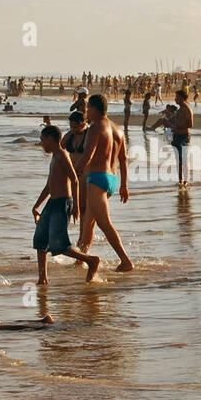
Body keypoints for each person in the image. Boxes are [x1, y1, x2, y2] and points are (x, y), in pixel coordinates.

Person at [32, 125, 100, 283]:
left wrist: (76, 205)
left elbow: (75, 179)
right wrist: (36, 206)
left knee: (59, 244)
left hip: (63, 203)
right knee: (40, 240)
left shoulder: (62, 155)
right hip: (52, 203)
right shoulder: (54, 157)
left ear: (50, 139)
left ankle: (91, 261)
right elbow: (49, 186)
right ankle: (43, 278)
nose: (41, 144)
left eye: (43, 141)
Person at [77, 94, 133, 271]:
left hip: (97, 178)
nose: (87, 113)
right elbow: (123, 160)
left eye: (88, 109)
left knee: (104, 223)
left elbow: (87, 156)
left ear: (94, 108)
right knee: (88, 223)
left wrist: (70, 173)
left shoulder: (96, 128)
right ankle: (81, 259)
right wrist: (124, 185)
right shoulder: (118, 129)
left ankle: (125, 260)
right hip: (111, 180)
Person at [171, 89, 194, 188]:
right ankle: (180, 180)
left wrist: (178, 127)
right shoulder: (179, 109)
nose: (175, 99)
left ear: (182, 98)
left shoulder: (187, 109)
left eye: (177, 97)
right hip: (176, 136)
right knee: (178, 160)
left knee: (184, 160)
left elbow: (191, 124)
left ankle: (185, 180)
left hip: (184, 137)